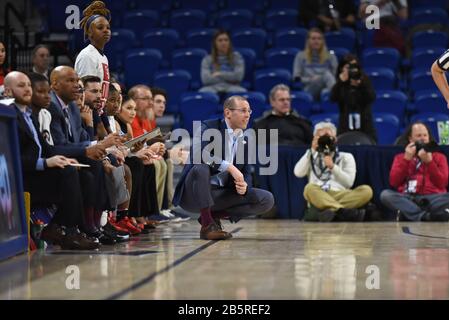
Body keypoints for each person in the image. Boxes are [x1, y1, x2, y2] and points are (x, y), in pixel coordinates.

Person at [3, 71, 100, 250]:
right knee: (68, 173)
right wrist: (46, 163)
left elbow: (47, 149)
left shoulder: (28, 116)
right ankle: (69, 231)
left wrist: (63, 158)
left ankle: (61, 227)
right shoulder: (7, 118)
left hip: (35, 174)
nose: (27, 89)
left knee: (81, 173)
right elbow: (11, 159)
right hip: (20, 179)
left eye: (28, 85)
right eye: (21, 86)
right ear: (7, 92)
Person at [173, 96, 275, 240]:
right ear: (228, 113)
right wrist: (229, 167)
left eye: (249, 111)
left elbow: (246, 174)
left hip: (219, 196)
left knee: (266, 199)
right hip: (194, 194)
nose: (248, 115)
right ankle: (207, 226)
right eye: (243, 111)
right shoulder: (209, 127)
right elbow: (198, 154)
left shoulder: (245, 140)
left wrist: (244, 186)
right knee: (201, 168)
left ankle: (209, 216)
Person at [294, 121, 373, 222]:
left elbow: (349, 183)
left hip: (341, 194)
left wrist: (333, 167)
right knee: (309, 189)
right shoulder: (311, 156)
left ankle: (333, 210)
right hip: (319, 194)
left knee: (367, 190)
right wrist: (311, 150)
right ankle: (344, 212)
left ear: (335, 139)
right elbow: (298, 173)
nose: (325, 141)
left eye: (328, 137)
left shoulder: (346, 157)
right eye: (321, 137)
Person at [380, 122, 449, 222]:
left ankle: (409, 213)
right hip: (409, 197)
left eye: (425, 135)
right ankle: (424, 216)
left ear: (429, 138)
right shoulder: (400, 157)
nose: (423, 138)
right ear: (411, 139)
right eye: (418, 135)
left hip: (433, 198)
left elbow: (442, 183)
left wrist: (430, 163)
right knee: (385, 195)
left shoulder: (439, 157)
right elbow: (394, 182)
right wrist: (406, 160)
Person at [75, 0, 112, 133]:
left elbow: (100, 97)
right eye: (100, 27)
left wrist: (108, 127)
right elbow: (87, 96)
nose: (106, 30)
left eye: (108, 27)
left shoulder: (103, 57)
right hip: (87, 118)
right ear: (90, 33)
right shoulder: (87, 56)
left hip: (99, 115)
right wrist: (98, 125)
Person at [330, 54, 377, 142]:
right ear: (341, 69)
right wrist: (340, 83)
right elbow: (332, 98)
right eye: (348, 67)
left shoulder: (364, 81)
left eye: (354, 67)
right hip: (345, 125)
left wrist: (361, 85)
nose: (352, 70)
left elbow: (371, 98)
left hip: (365, 124)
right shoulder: (340, 84)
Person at [292, 28, 337, 101]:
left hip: (327, 88)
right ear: (308, 41)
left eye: (319, 39)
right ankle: (338, 95)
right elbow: (296, 78)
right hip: (309, 88)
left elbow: (335, 75)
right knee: (326, 74)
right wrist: (310, 79)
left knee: (325, 91)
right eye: (313, 39)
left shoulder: (331, 56)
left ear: (323, 41)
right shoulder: (300, 56)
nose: (316, 41)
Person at [200, 30, 246, 94]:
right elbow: (206, 80)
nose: (223, 43)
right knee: (203, 92)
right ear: (215, 43)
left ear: (230, 42)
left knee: (242, 92)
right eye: (220, 40)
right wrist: (230, 77)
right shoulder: (207, 59)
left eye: (226, 40)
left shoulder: (237, 57)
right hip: (212, 87)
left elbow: (238, 77)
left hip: (233, 87)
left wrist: (219, 74)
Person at [28, 72, 53, 145]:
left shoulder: (46, 114)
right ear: (29, 91)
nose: (47, 96)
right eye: (41, 92)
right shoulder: (22, 117)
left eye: (49, 92)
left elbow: (49, 146)